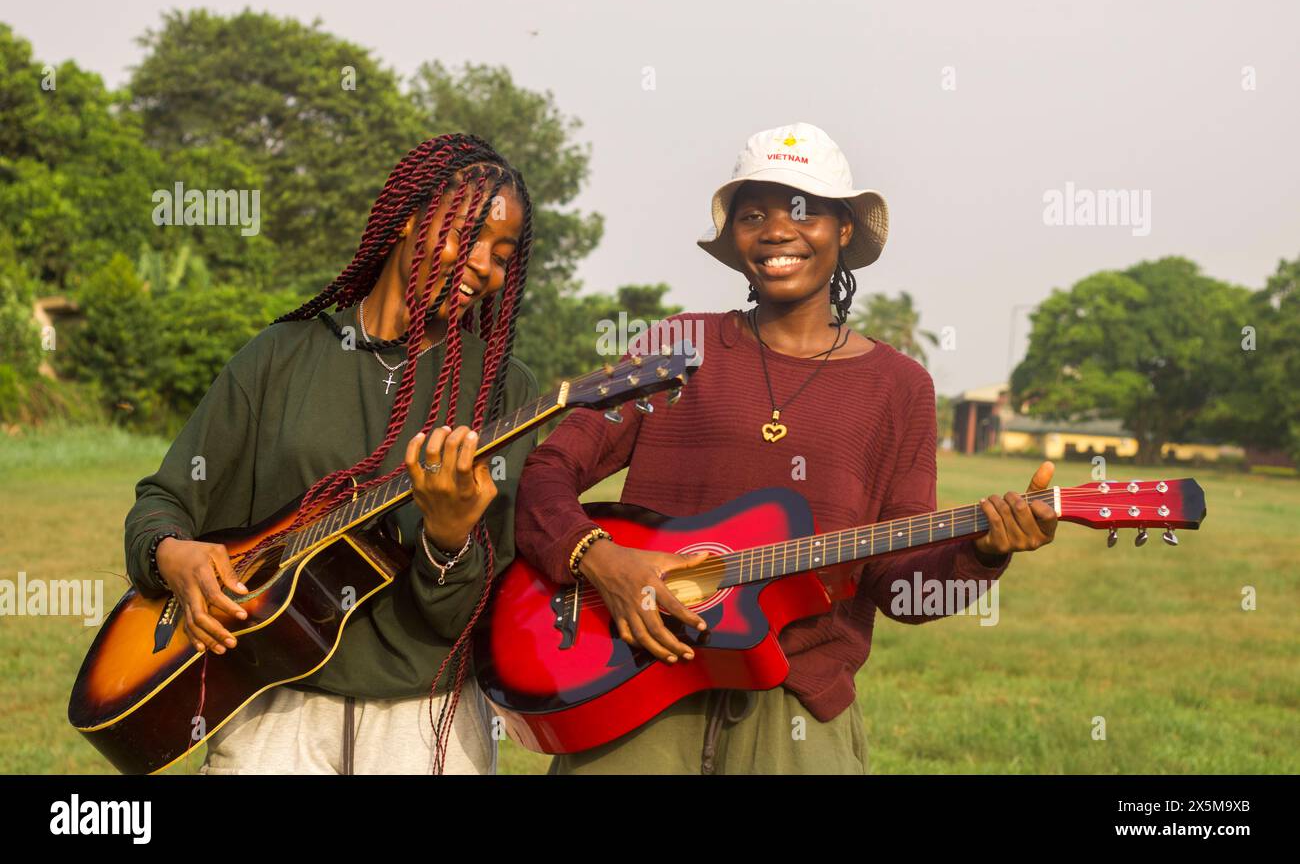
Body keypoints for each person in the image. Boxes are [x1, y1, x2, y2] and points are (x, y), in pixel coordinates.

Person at [514, 121, 1058, 774]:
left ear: (844, 230)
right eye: (753, 214)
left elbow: (897, 586)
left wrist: (986, 549)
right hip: (636, 673)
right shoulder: (676, 348)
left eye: (803, 211)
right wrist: (600, 561)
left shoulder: (900, 387)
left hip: (796, 702)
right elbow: (548, 469)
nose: (776, 230)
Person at [123, 133, 537, 774]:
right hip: (267, 703)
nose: (484, 266)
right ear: (407, 219)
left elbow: (463, 611)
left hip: (423, 719)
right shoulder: (281, 356)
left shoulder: (504, 391)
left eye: (502, 255)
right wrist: (171, 555)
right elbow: (165, 499)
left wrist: (449, 538)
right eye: (467, 235)